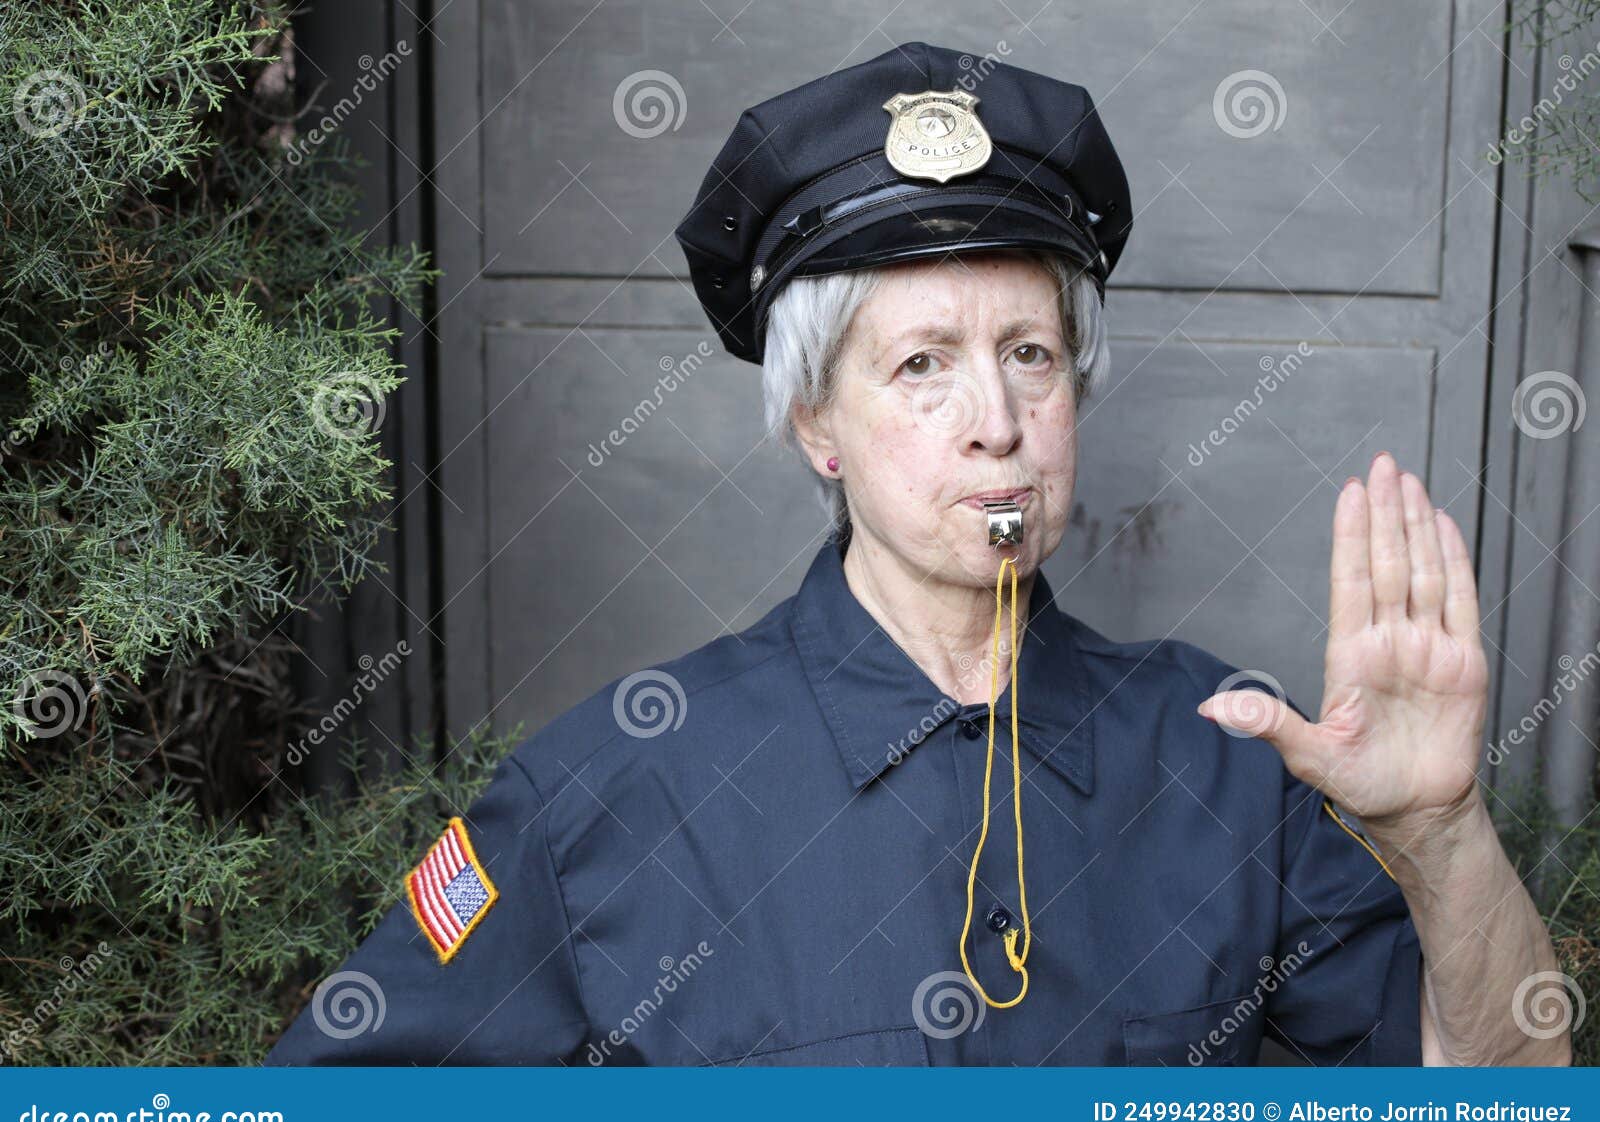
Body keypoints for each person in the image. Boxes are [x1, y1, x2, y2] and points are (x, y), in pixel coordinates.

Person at [265, 41, 1568, 1067]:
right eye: (923, 365)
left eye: (1031, 355)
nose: (996, 422)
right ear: (817, 422)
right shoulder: (609, 789)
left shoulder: (1231, 760)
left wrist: (1445, 835)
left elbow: (1507, 1096)